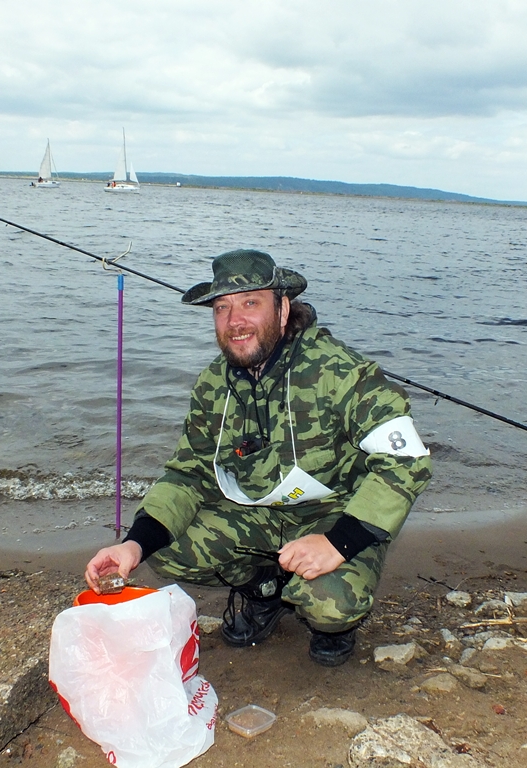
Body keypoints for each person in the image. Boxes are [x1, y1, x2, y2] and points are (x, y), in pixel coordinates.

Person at [85, 249, 432, 666]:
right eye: (222, 307)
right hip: (256, 513)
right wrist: (133, 545)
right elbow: (188, 475)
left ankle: (335, 628)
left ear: (283, 310)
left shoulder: (339, 371)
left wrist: (338, 542)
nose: (235, 321)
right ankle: (265, 590)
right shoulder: (213, 383)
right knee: (166, 551)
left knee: (331, 605)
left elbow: (407, 459)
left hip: (333, 515)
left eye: (251, 303)